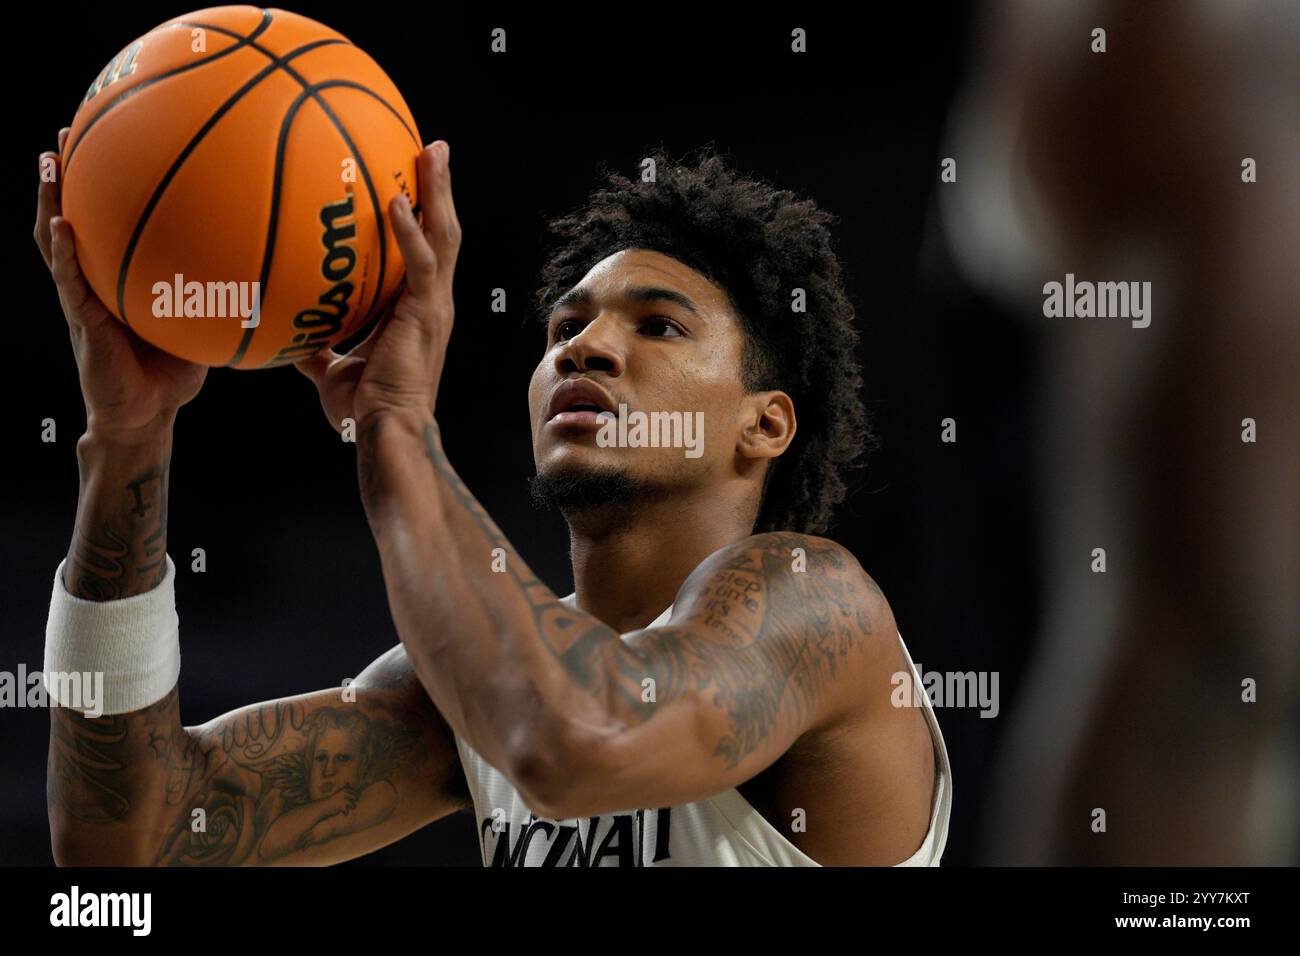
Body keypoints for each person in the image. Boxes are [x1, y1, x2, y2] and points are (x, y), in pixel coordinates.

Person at [38, 134, 951, 866]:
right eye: (565, 326)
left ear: (766, 424)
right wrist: (126, 440)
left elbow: (577, 739)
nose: (582, 348)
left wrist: (394, 424)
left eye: (659, 324)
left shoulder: (817, 600)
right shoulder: (470, 689)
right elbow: (133, 838)